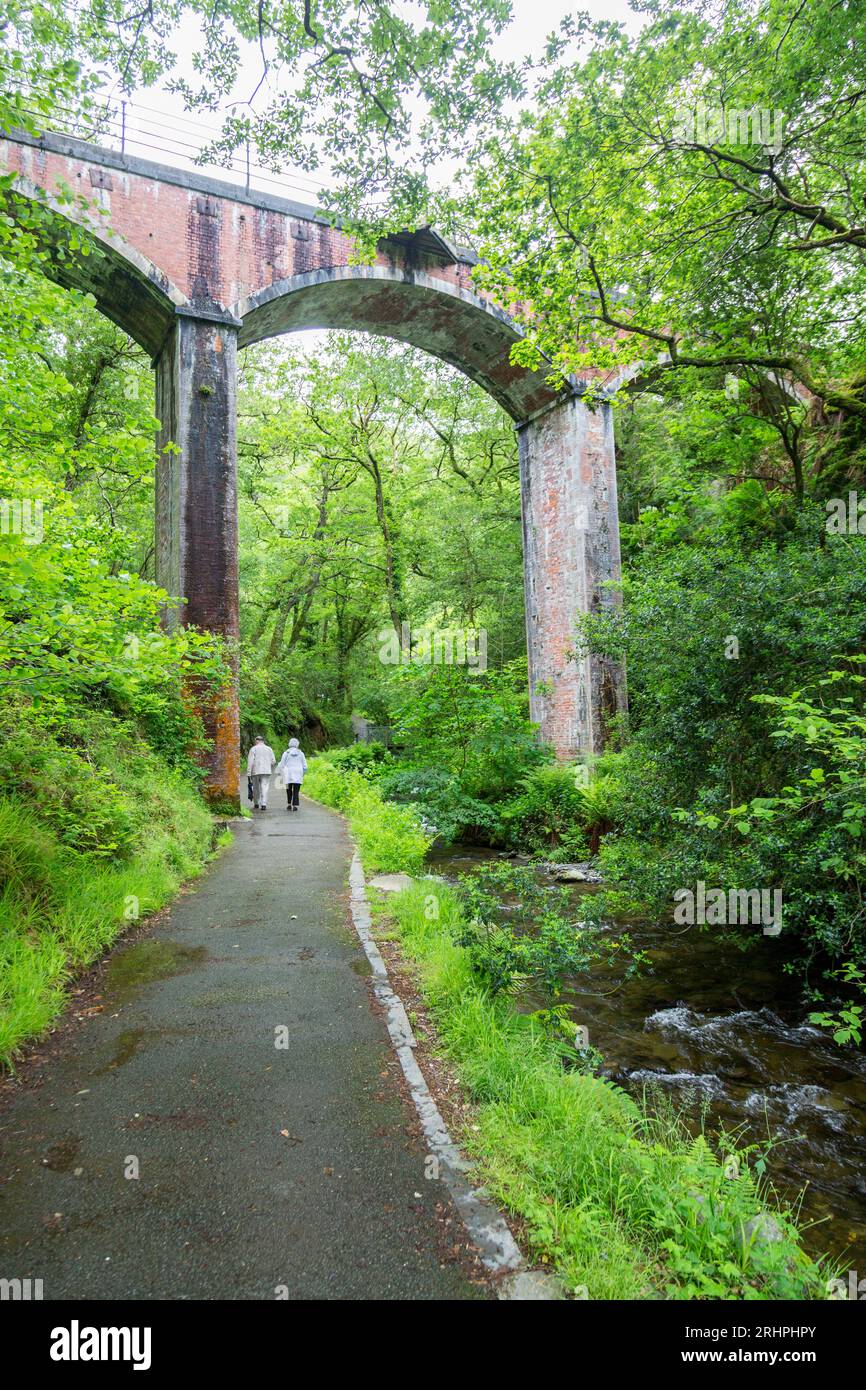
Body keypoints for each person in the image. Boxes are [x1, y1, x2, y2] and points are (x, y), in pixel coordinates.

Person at [276, 737, 307, 812]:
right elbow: (305, 766)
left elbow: (282, 764)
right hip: (298, 773)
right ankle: (295, 805)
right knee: (296, 790)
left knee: (288, 789)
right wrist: (302, 773)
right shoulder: (301, 753)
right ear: (297, 744)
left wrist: (280, 772)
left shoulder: (286, 753)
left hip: (288, 773)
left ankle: (289, 804)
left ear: (289, 744)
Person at [246, 735, 276, 812]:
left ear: (257, 741)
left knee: (256, 787)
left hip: (255, 771)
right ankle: (263, 804)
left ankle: (256, 803)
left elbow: (250, 761)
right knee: (264, 787)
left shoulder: (253, 749)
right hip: (266, 771)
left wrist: (249, 772)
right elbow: (273, 761)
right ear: (263, 741)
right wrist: (267, 764)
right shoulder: (269, 749)